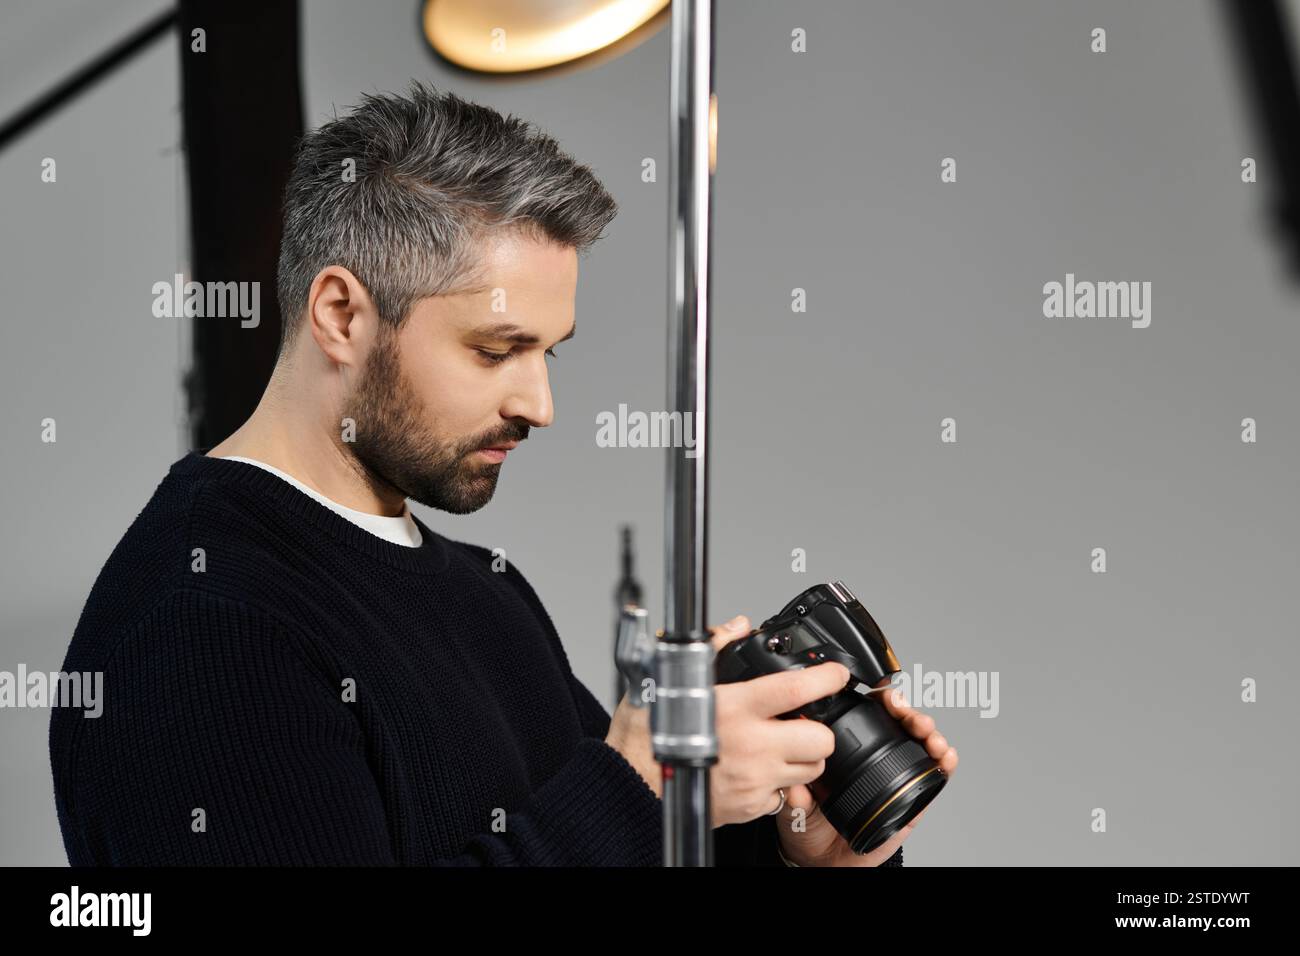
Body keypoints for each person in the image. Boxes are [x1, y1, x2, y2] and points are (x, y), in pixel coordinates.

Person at [49, 81, 956, 867]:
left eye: (550, 353)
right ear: (340, 314)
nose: (540, 404)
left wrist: (799, 855)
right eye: (497, 350)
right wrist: (638, 784)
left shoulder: (487, 595)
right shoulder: (201, 623)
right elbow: (604, 825)